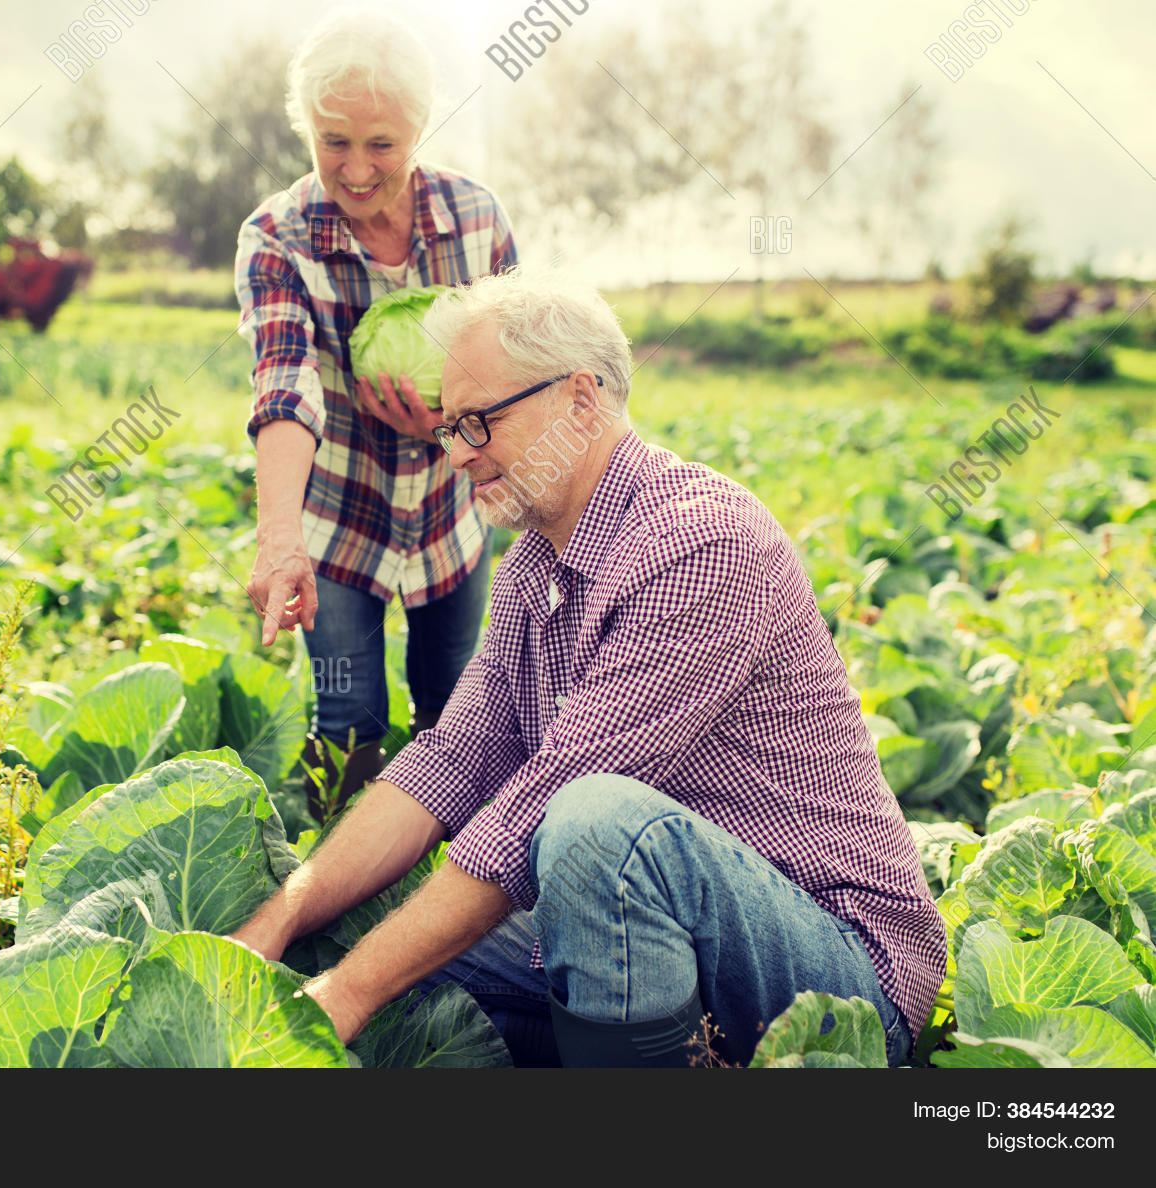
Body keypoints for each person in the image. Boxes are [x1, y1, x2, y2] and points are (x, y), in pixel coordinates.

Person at [230, 268, 948, 1067]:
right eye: (448, 429)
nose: (457, 455)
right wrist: (282, 916)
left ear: (579, 400)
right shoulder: (534, 562)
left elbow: (542, 809)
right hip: (634, 927)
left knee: (591, 819)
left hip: (832, 976)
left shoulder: (700, 543)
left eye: (478, 423)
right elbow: (448, 763)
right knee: (359, 924)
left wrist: (350, 995)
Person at [236, 9, 517, 818]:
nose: (355, 170)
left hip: (452, 513)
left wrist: (448, 425)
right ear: (306, 130)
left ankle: (445, 883)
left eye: (381, 145)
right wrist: (280, 537)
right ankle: (336, 893)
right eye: (334, 141)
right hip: (338, 523)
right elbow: (284, 381)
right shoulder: (275, 237)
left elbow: (521, 362)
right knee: (350, 721)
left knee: (454, 711)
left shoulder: (476, 221)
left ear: (421, 130)